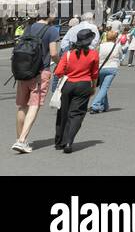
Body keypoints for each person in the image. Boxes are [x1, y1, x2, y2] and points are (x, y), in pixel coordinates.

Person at [11, 14, 60, 154]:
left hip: (23, 71)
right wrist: (60, 63)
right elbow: (53, 53)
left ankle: (21, 139)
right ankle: (21, 141)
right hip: (39, 73)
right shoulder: (51, 30)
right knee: (34, 105)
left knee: (22, 106)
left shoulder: (29, 28)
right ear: (50, 14)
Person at [52, 28, 100, 153]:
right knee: (76, 114)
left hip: (68, 84)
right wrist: (93, 87)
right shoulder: (93, 54)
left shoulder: (68, 53)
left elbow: (58, 72)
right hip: (84, 85)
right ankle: (69, 141)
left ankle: (59, 141)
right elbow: (95, 74)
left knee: (63, 113)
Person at [88, 29, 123, 113]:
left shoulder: (101, 45)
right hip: (112, 67)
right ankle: (95, 105)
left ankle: (105, 106)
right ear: (115, 37)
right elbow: (121, 55)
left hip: (101, 67)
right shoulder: (117, 46)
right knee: (104, 87)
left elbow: (96, 55)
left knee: (103, 87)